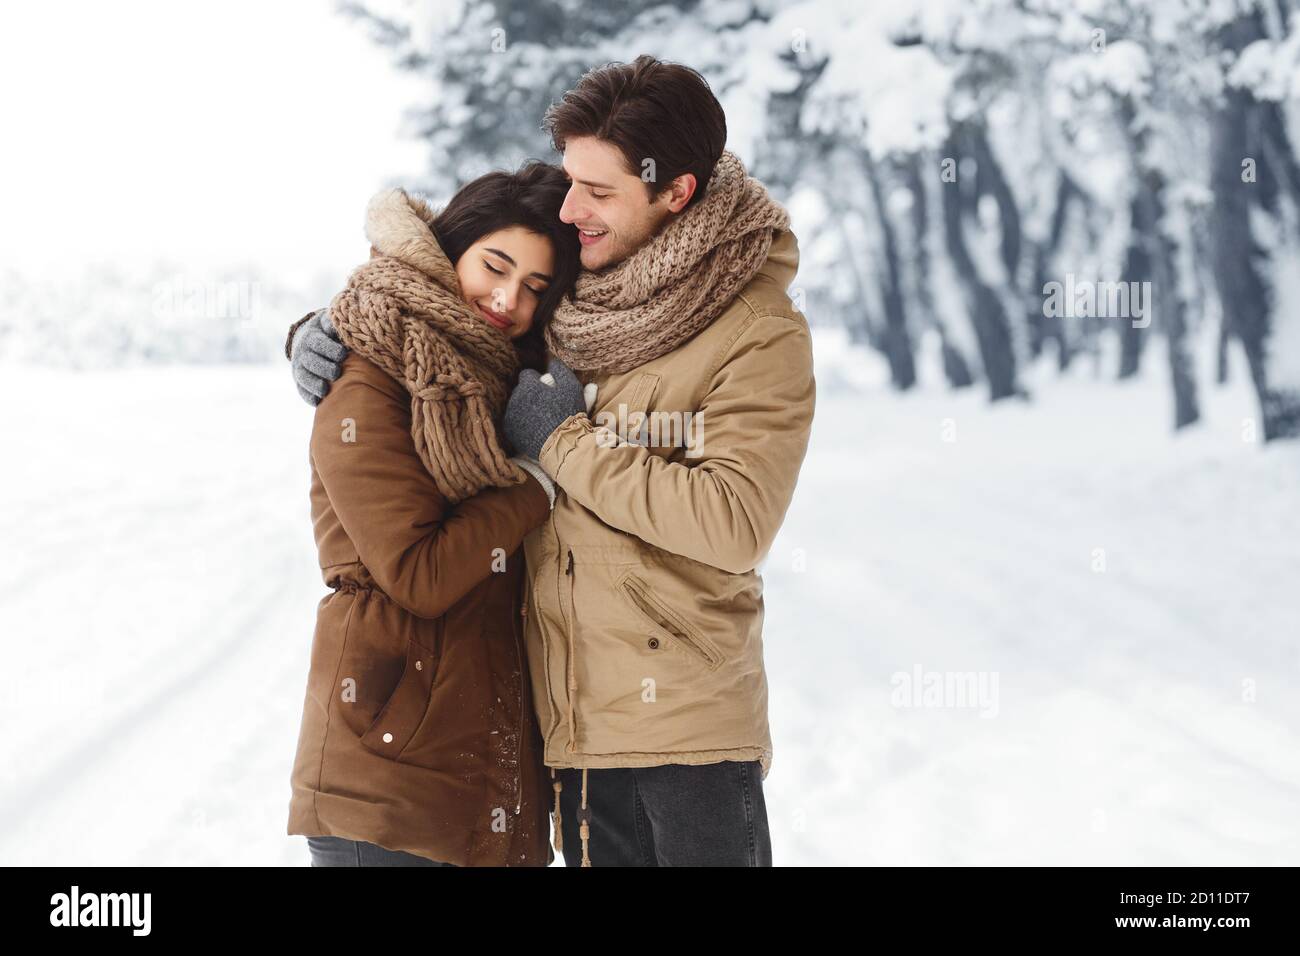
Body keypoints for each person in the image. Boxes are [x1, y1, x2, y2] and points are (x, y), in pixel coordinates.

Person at [291, 55, 816, 867]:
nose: (573, 209)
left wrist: (562, 445)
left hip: (681, 742)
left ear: (675, 193)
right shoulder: (575, 298)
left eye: (598, 192)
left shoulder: (754, 329)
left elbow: (735, 521)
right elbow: (437, 305)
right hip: (560, 740)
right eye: (572, 181)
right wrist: (328, 328)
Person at [285, 161, 581, 866]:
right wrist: (537, 480)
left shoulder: (505, 381)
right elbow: (418, 573)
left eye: (535, 288)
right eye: (495, 266)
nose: (507, 299)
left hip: (483, 776)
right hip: (390, 781)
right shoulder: (367, 371)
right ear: (452, 247)